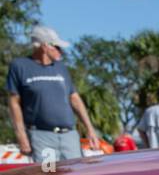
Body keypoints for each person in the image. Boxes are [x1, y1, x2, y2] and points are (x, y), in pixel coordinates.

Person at [5, 25, 98, 164]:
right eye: (57, 47)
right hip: (41, 137)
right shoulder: (20, 66)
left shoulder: (61, 68)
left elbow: (74, 98)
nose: (61, 51)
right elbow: (14, 102)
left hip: (69, 136)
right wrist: (21, 134)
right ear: (44, 46)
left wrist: (90, 129)